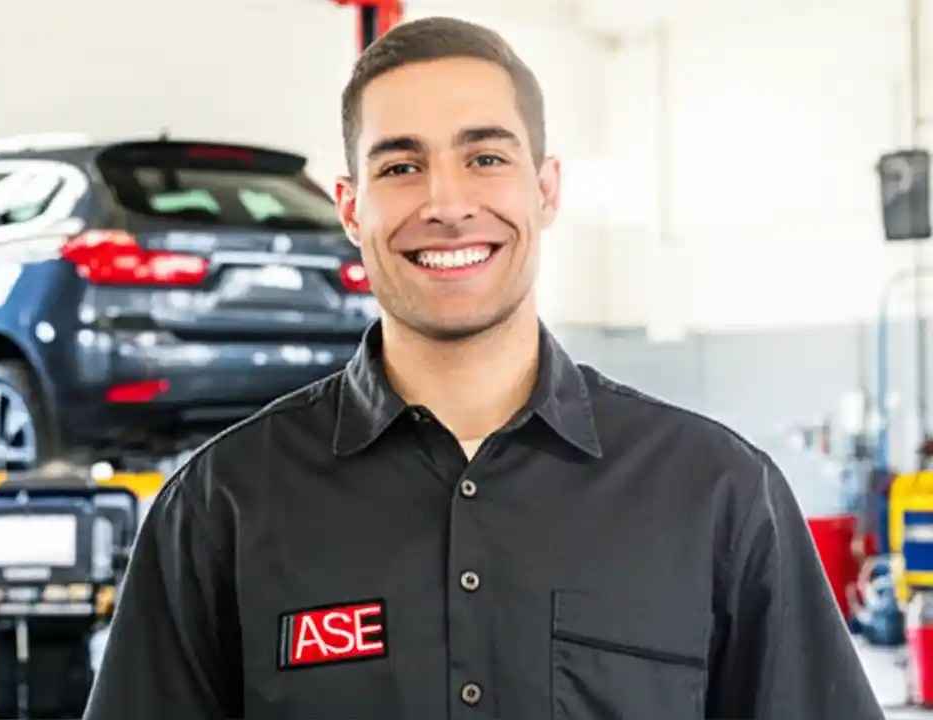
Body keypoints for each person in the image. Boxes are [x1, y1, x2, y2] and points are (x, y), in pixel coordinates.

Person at [83, 16, 885, 720]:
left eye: (486, 158)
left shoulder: (717, 496)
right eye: (400, 166)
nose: (446, 201)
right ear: (351, 207)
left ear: (546, 188)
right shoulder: (222, 508)